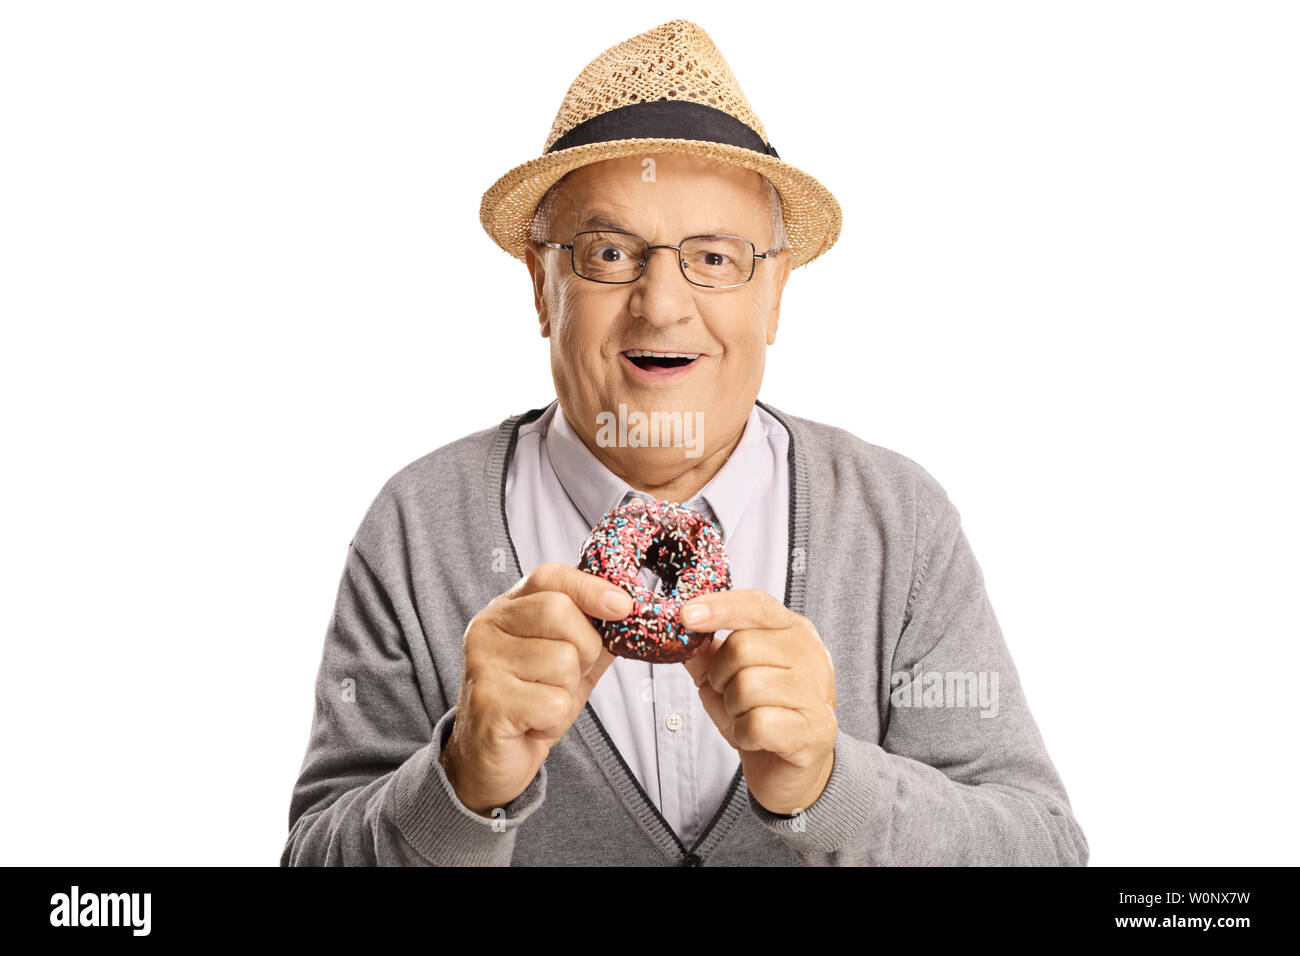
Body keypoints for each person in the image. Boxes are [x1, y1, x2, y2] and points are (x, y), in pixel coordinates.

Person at [280, 18, 1088, 866]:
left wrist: (831, 784)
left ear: (775, 292)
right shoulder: (420, 526)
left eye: (714, 257)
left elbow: (1045, 851)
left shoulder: (895, 521)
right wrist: (460, 781)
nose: (661, 305)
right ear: (540, 285)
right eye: (609, 252)